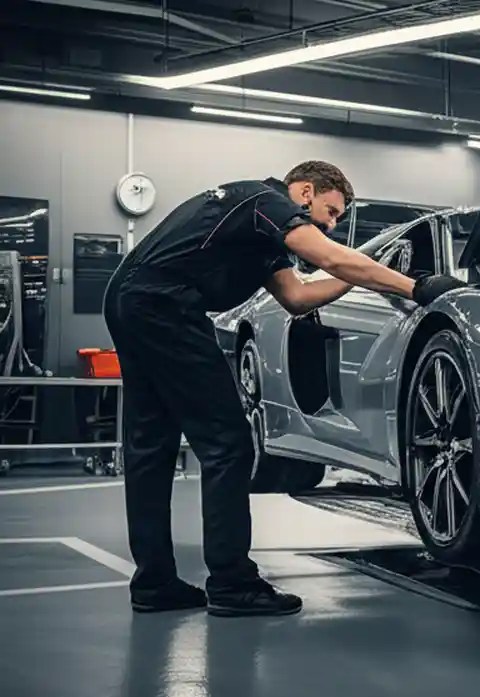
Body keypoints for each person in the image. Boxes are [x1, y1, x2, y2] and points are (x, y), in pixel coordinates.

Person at [104, 160, 460, 617]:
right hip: (163, 306)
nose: (332, 225)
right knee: (228, 443)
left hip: (132, 297)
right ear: (306, 192)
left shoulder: (259, 235)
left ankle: (153, 584)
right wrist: (417, 287)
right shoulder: (265, 202)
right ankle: (234, 584)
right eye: (331, 213)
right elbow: (332, 256)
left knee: (151, 446)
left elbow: (297, 297)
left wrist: (357, 280)